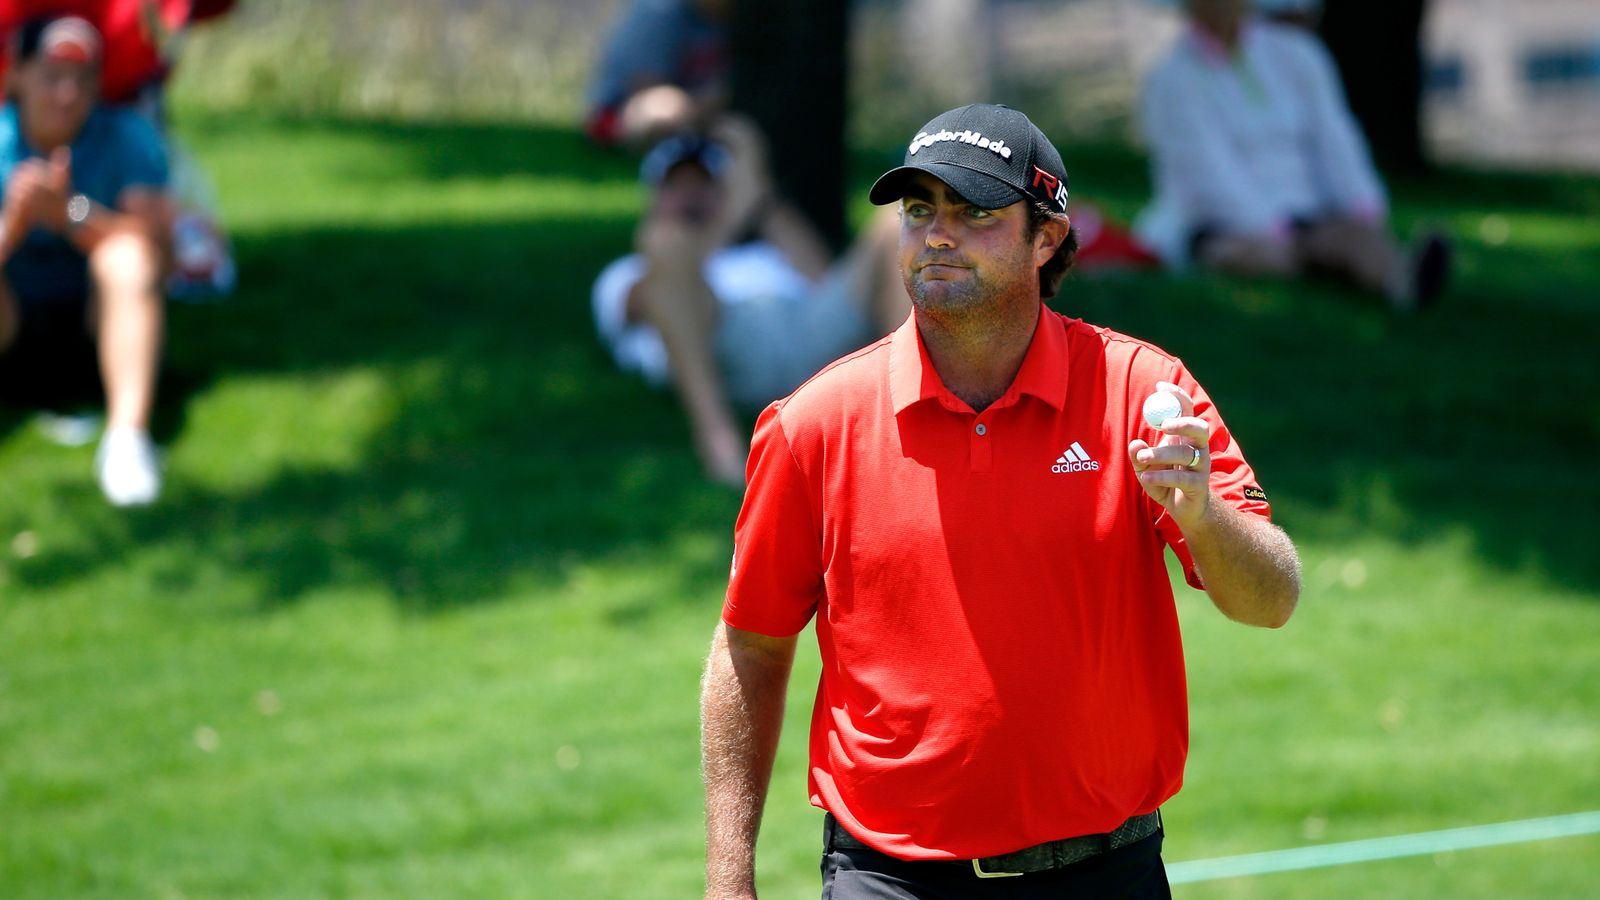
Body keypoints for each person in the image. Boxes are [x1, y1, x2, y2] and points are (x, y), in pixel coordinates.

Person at [700, 103, 1302, 898]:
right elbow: (751, 646)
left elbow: (1272, 599)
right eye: (920, 211)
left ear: (1046, 237)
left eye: (975, 212)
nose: (937, 234)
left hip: (1103, 871)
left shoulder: (1141, 391)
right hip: (889, 878)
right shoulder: (814, 423)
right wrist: (728, 881)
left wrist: (1203, 514)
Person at [591, 117, 908, 485]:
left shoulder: (762, 249)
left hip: (806, 330)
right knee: (666, 242)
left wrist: (759, 194)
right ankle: (718, 442)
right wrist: (731, 217)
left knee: (897, 221)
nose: (691, 195)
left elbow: (828, 281)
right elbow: (652, 304)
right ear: (654, 196)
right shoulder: (631, 270)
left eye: (704, 184)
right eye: (677, 185)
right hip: (728, 346)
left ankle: (904, 426)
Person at [1134, 0, 1447, 311]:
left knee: (1357, 240)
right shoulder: (1173, 78)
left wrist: (1361, 205)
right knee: (1249, 255)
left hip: (1307, 210)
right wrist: (1268, 227)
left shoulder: (1297, 55)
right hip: (1220, 221)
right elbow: (1206, 170)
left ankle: (1397, 281)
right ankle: (1324, 265)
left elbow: (1334, 138)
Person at [0, 14, 173, 505]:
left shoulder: (127, 136)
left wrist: (69, 213)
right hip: (11, 324)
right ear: (16, 74)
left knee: (129, 257)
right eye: (52, 77)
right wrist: (12, 224)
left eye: (82, 80)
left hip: (98, 323)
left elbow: (160, 248)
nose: (67, 95)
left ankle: (128, 440)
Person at [583, 0, 729, 149]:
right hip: (617, 113)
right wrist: (703, 105)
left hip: (696, 112)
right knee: (665, 109)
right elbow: (643, 85)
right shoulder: (660, 10)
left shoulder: (728, 20)